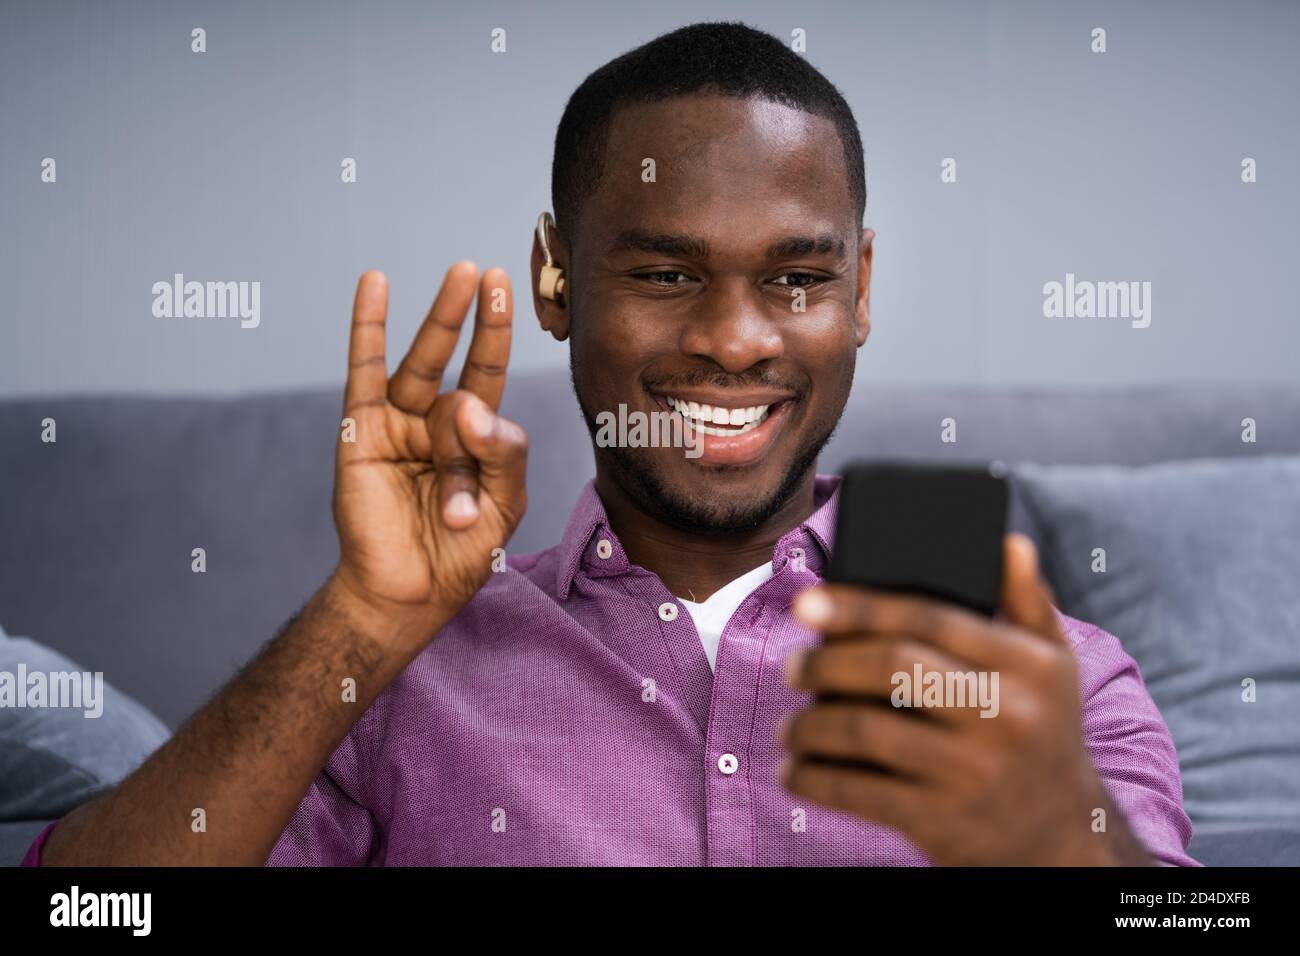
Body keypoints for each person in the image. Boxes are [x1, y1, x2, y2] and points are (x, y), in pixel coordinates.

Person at [27, 21, 1195, 867]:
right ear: (554, 276)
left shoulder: (1051, 676)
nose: (736, 341)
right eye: (664, 272)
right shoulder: (390, 681)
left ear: (860, 287)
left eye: (795, 277)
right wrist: (365, 616)